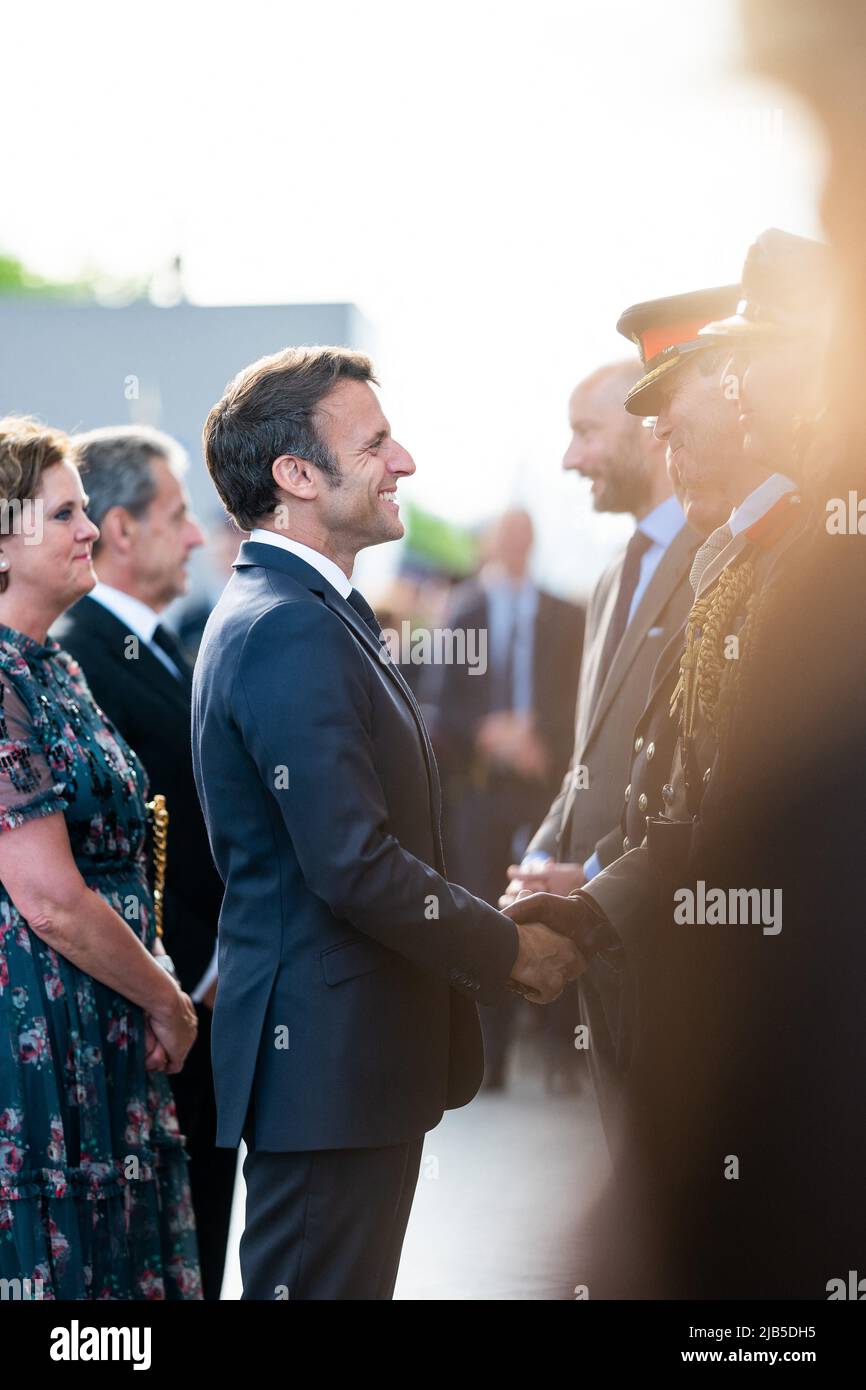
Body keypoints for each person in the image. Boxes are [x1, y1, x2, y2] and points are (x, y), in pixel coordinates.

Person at [192, 346, 583, 1300]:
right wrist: (508, 949)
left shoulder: (308, 609)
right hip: (327, 1073)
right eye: (373, 444)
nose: (403, 461)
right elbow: (355, 863)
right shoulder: (288, 623)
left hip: (346, 1071)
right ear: (296, 475)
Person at [506, 229, 834, 1296]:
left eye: (720, 377)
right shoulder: (742, 551)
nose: (667, 432)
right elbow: (645, 768)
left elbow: (739, 807)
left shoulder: (804, 556)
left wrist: (588, 908)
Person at [0, 416, 200, 1300]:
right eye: (63, 514)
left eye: (84, 508)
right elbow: (47, 898)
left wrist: (152, 986)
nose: (90, 529)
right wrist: (168, 1000)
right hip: (41, 1023)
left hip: (108, 1015)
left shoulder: (59, 668)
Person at [50, 425, 235, 1302]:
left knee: (197, 1244)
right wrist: (188, 979)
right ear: (120, 529)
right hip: (152, 1008)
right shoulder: (72, 658)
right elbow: (89, 860)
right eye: (177, 514)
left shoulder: (159, 646)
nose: (197, 535)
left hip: (196, 1001)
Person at [424, 507, 585, 1089]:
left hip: (548, 789)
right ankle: (489, 1055)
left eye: (524, 536)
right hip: (482, 790)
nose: (516, 545)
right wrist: (488, 734)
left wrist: (539, 736)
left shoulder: (566, 614)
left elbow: (582, 698)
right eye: (506, 536)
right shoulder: (462, 609)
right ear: (493, 542)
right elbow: (437, 702)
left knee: (557, 904)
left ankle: (563, 1050)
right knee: (484, 908)